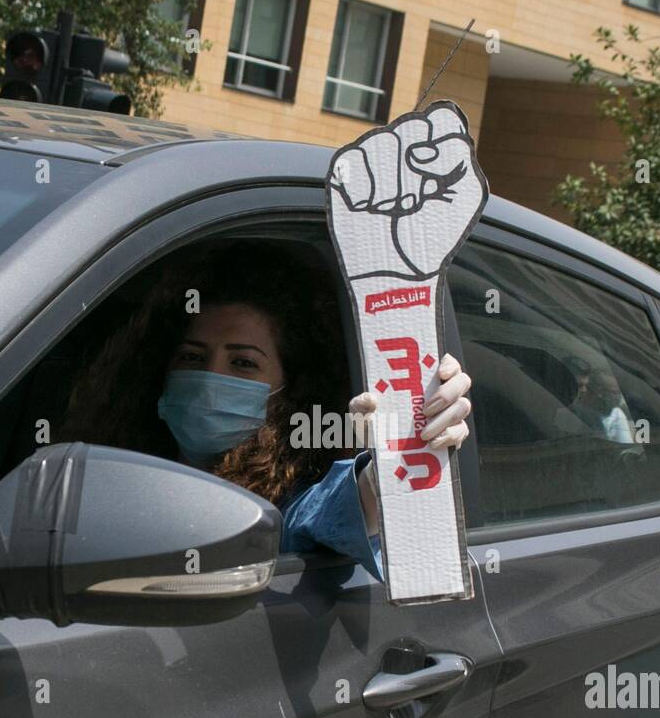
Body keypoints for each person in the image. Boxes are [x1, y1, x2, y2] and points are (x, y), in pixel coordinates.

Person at [60, 243, 473, 580]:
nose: (209, 378)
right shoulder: (104, 477)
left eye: (242, 363)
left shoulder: (282, 507)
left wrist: (404, 445)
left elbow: (333, 513)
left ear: (291, 390)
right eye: (191, 356)